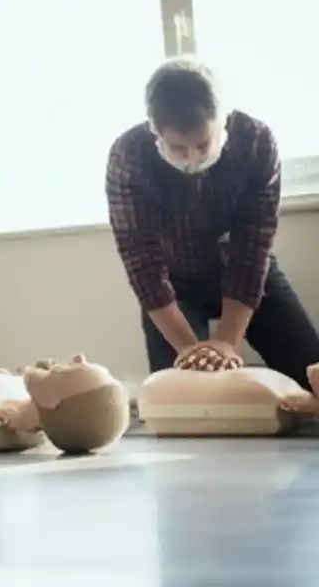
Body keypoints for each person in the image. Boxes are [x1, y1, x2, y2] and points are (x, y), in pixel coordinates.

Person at [106, 57, 319, 386]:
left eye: (203, 144)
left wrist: (224, 344)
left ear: (224, 120)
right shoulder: (128, 157)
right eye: (178, 148)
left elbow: (253, 245)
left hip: (247, 271)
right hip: (171, 285)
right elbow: (141, 262)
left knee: (313, 372)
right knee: (180, 396)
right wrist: (196, 359)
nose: (194, 158)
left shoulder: (257, 143)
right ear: (154, 130)